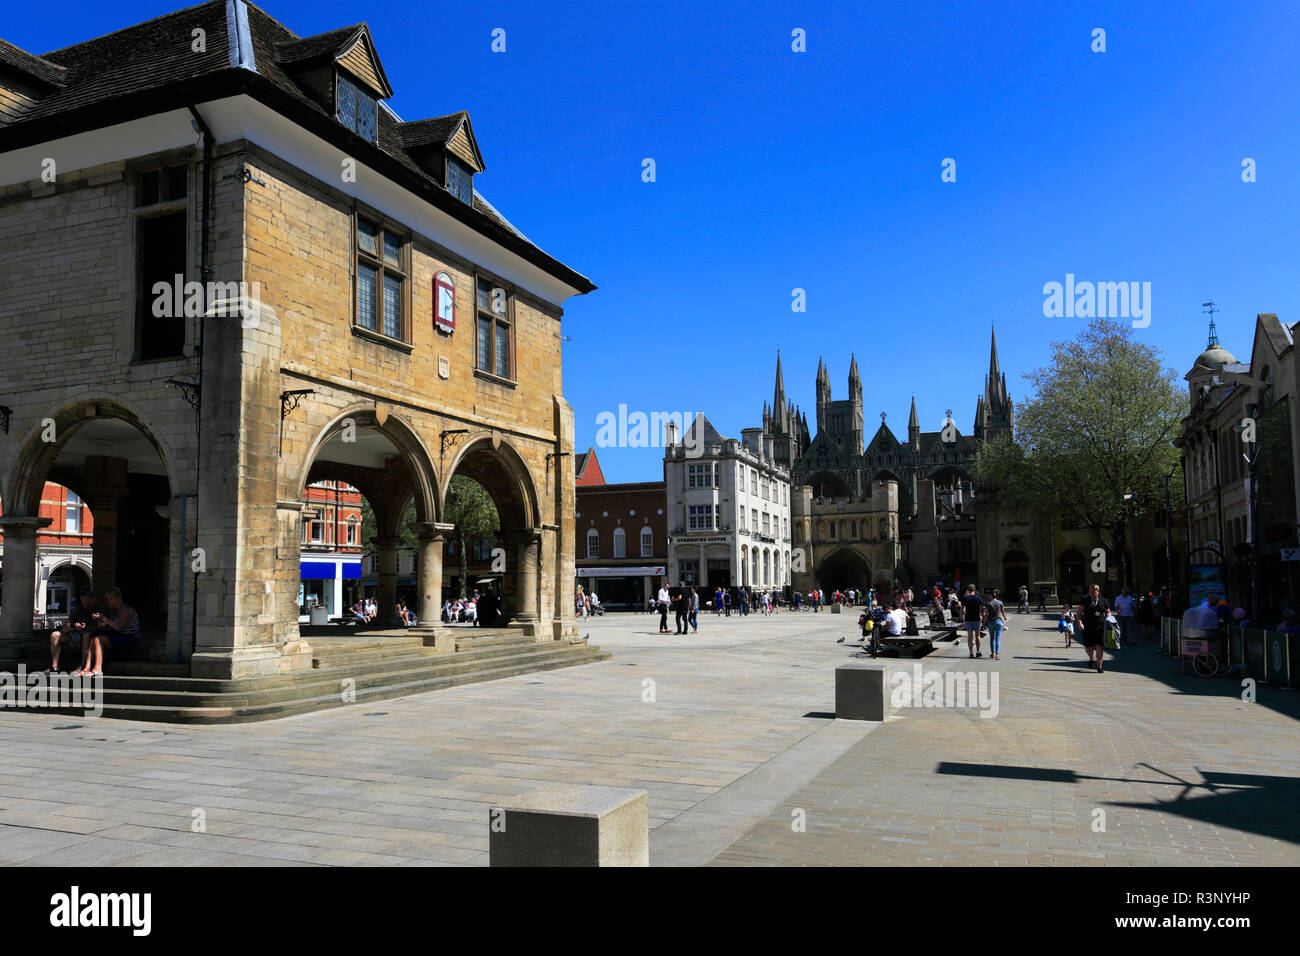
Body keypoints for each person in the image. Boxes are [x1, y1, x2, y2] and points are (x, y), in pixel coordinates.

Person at [77, 587, 140, 676]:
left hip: (130, 638)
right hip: (118, 636)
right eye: (107, 600)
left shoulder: (127, 610)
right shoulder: (115, 611)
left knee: (99, 640)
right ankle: (86, 667)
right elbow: (111, 627)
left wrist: (103, 618)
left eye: (111, 599)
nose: (109, 602)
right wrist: (102, 624)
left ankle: (97, 669)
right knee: (94, 639)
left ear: (119, 598)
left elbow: (118, 627)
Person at [50, 591, 96, 673]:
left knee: (86, 635)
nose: (87, 601)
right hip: (75, 637)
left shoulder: (98, 610)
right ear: (81, 599)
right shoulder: (77, 610)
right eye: (84, 599)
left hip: (90, 639)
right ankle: (55, 666)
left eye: (89, 599)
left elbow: (101, 627)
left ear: (94, 599)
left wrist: (86, 628)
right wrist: (69, 627)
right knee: (55, 635)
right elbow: (67, 625)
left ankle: (82, 665)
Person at [1078, 583, 1111, 672]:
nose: (1092, 593)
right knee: (1089, 648)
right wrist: (1080, 623)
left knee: (1099, 647)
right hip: (1087, 628)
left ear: (1098, 592)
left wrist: (1109, 619)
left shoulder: (1103, 601)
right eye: (1090, 591)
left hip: (1100, 628)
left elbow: (1108, 612)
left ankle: (1099, 666)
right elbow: (1079, 613)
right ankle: (1091, 658)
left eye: (1094, 591)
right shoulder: (1084, 601)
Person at [960, 584, 985, 658]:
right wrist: (982, 617)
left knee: (970, 637)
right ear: (974, 590)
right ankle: (978, 651)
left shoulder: (965, 598)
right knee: (978, 635)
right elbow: (981, 609)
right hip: (977, 619)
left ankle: (971, 653)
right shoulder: (979, 598)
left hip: (968, 619)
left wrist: (961, 618)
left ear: (968, 590)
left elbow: (961, 609)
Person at [986, 589, 1008, 660]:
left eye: (989, 595)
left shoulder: (988, 603)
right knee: (998, 638)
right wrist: (1005, 618)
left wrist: (983, 623)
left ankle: (992, 653)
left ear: (991, 595)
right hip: (999, 622)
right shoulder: (1000, 602)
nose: (989, 596)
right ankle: (997, 654)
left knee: (992, 638)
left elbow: (986, 615)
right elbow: (1003, 612)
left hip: (990, 622)